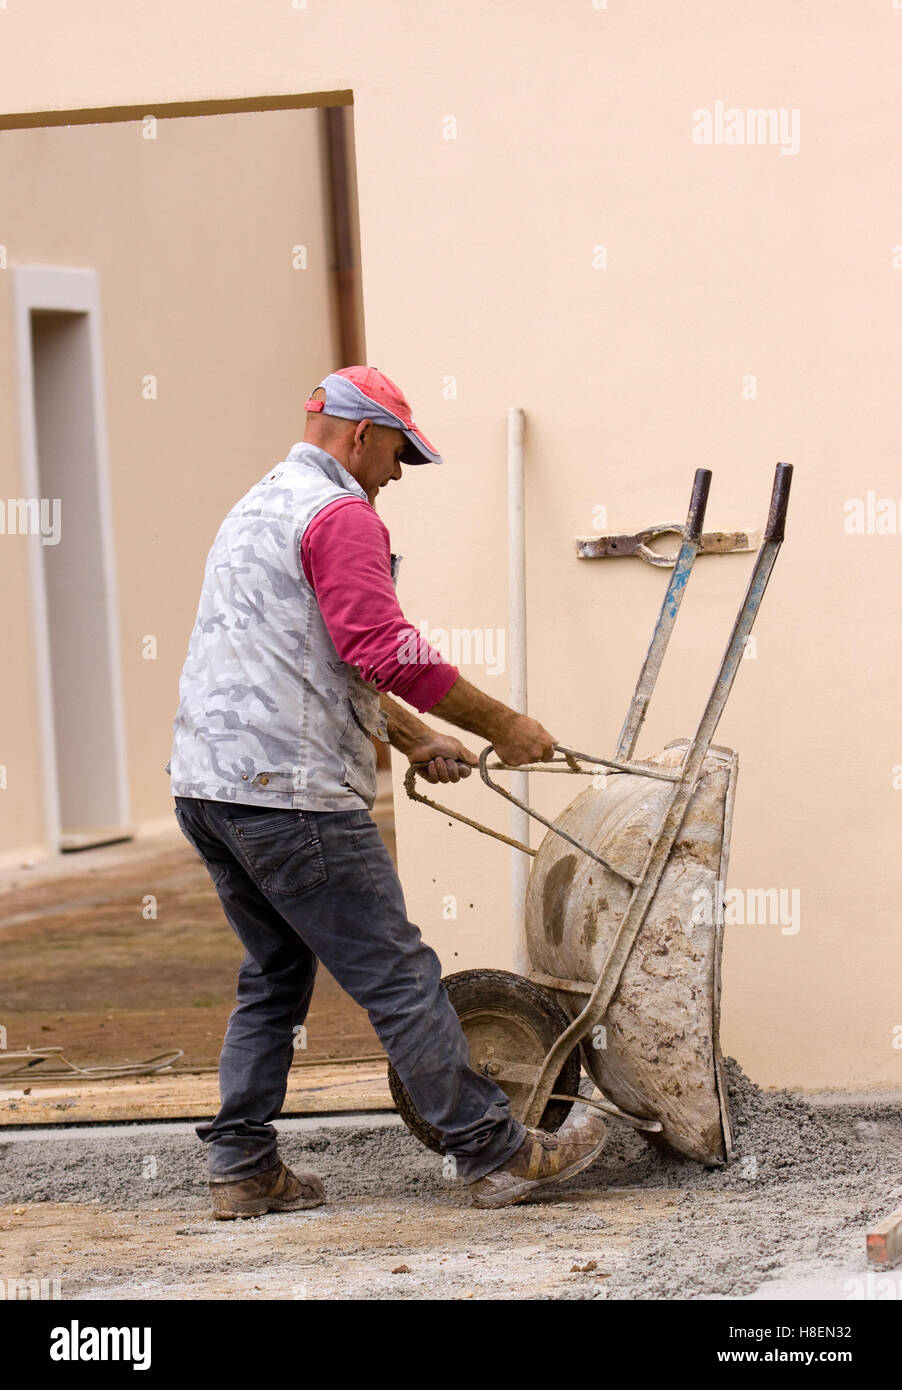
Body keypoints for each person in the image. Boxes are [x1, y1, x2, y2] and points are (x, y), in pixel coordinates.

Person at [167, 365, 606, 1215]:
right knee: (398, 974)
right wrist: (502, 726)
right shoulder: (340, 515)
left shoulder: (256, 507)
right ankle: (494, 1151)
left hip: (209, 787)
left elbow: (309, 655)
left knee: (274, 972)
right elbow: (383, 649)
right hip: (289, 793)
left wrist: (413, 736)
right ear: (360, 435)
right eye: (399, 454)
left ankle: (243, 1169)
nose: (397, 475)